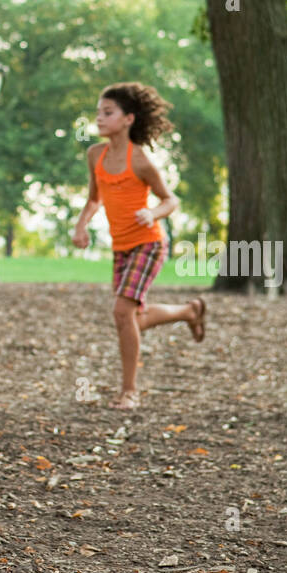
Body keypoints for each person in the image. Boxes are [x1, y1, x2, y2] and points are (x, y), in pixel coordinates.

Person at [72, 81, 206, 410]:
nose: (100, 119)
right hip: (122, 247)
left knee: (122, 312)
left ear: (128, 118)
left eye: (108, 113)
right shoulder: (95, 155)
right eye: (98, 113)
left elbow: (170, 199)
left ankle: (129, 391)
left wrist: (153, 212)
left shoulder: (140, 160)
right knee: (133, 318)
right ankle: (190, 311)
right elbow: (94, 199)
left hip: (149, 244)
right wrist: (81, 225)